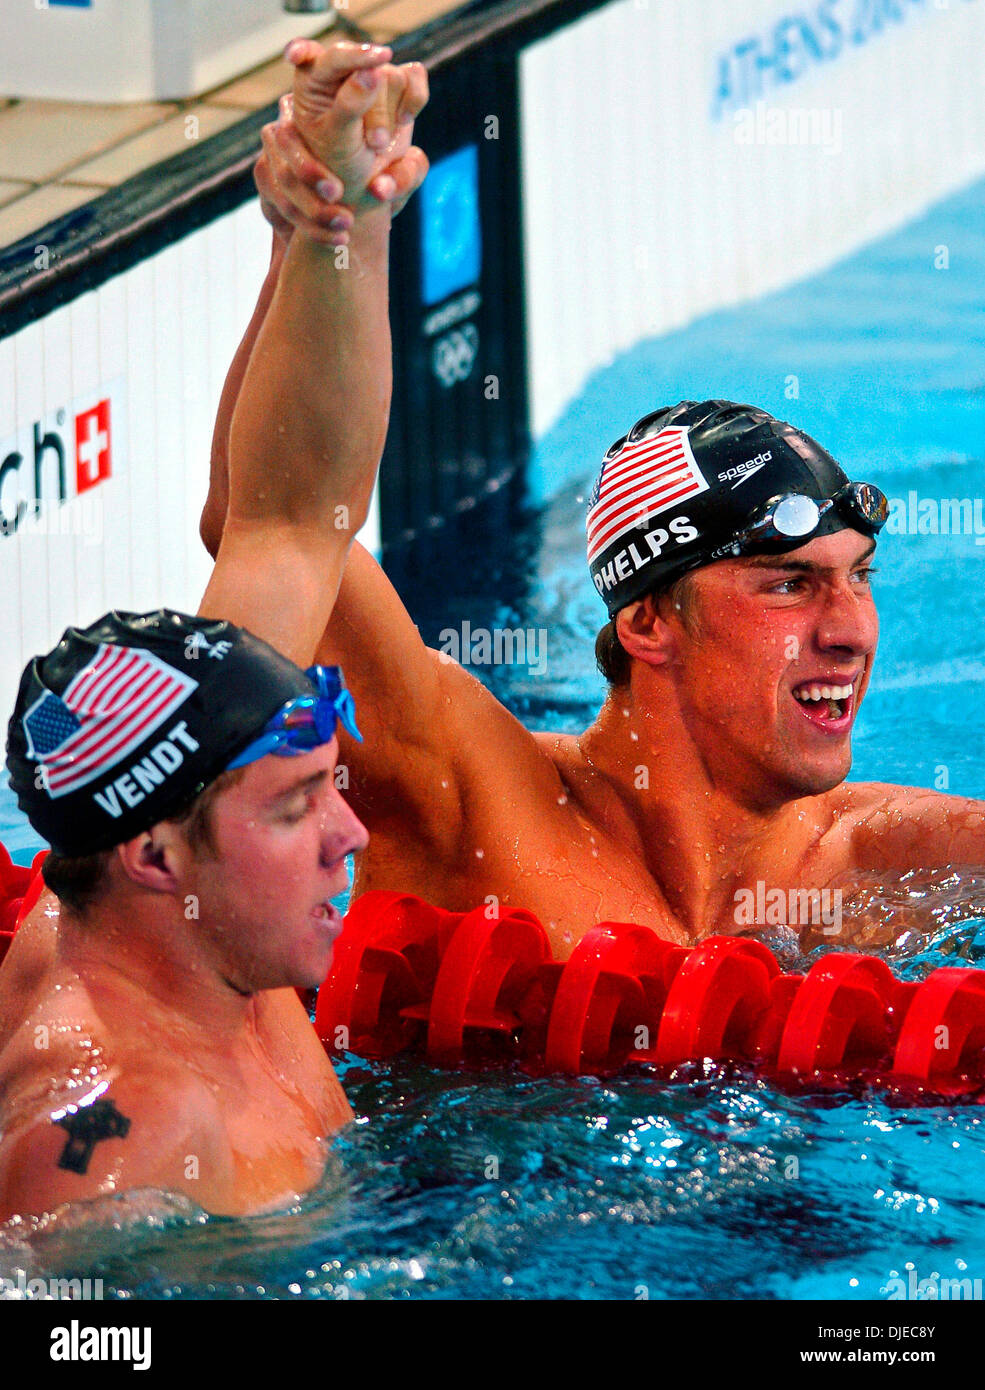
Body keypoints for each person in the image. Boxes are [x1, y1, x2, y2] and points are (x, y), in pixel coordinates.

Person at [202, 93, 985, 959]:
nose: (851, 632)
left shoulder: (909, 865)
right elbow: (270, 530)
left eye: (857, 577)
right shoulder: (467, 795)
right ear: (647, 620)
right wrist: (315, 235)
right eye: (788, 584)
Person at [0, 39, 429, 1221]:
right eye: (295, 806)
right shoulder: (107, 1139)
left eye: (325, 788)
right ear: (154, 855)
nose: (349, 833)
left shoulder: (212, 936)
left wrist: (343, 216)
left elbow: (295, 518)